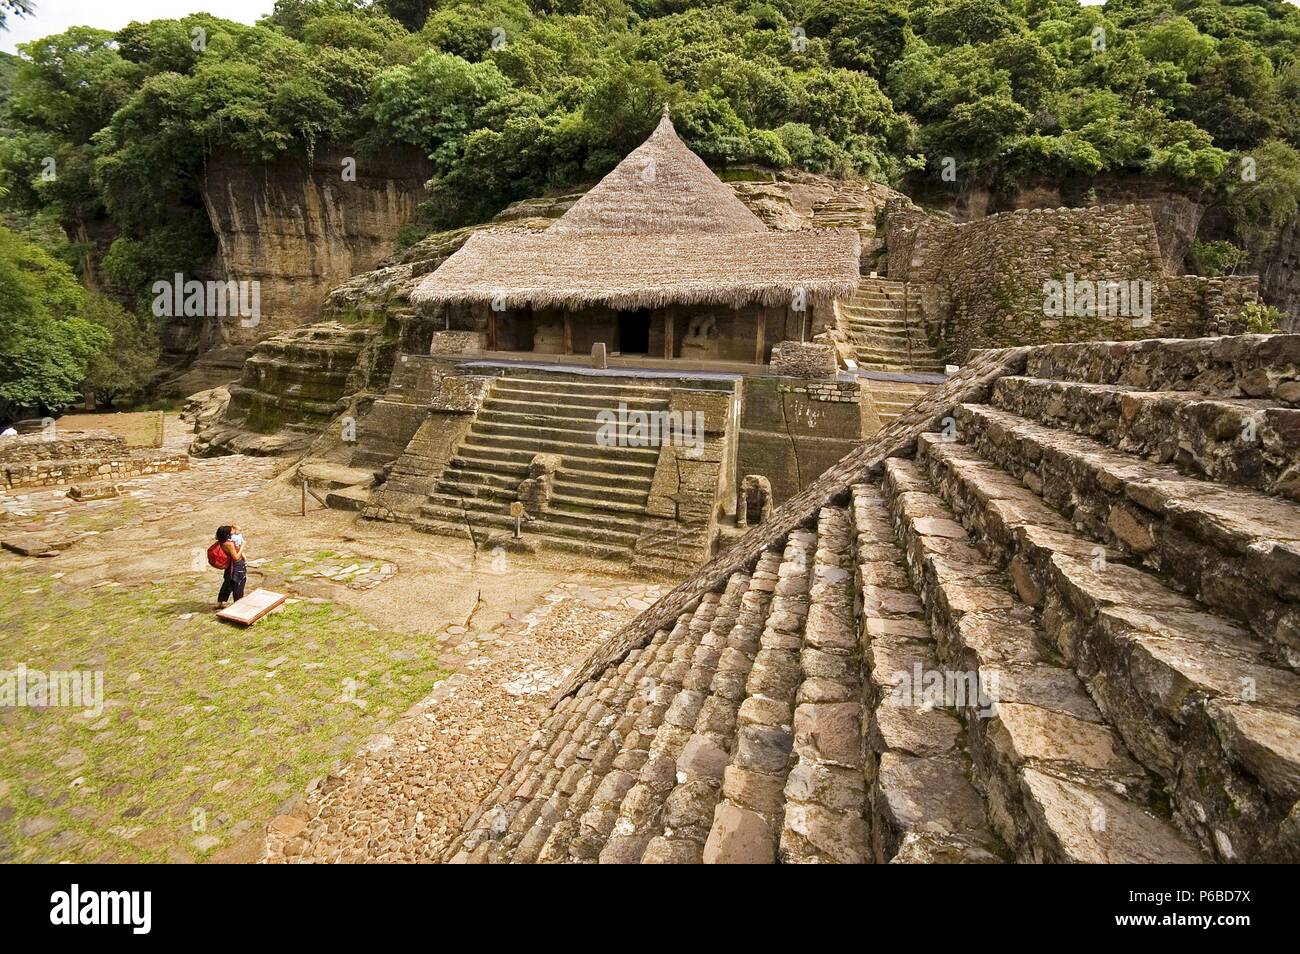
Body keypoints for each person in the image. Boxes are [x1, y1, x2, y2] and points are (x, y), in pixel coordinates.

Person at [215, 524, 247, 608]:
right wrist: (243, 546)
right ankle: (239, 605)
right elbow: (236, 557)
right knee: (238, 584)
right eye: (231, 530)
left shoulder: (221, 541)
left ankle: (220, 602)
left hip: (229, 566)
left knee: (227, 583)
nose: (233, 530)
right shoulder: (229, 544)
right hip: (237, 565)